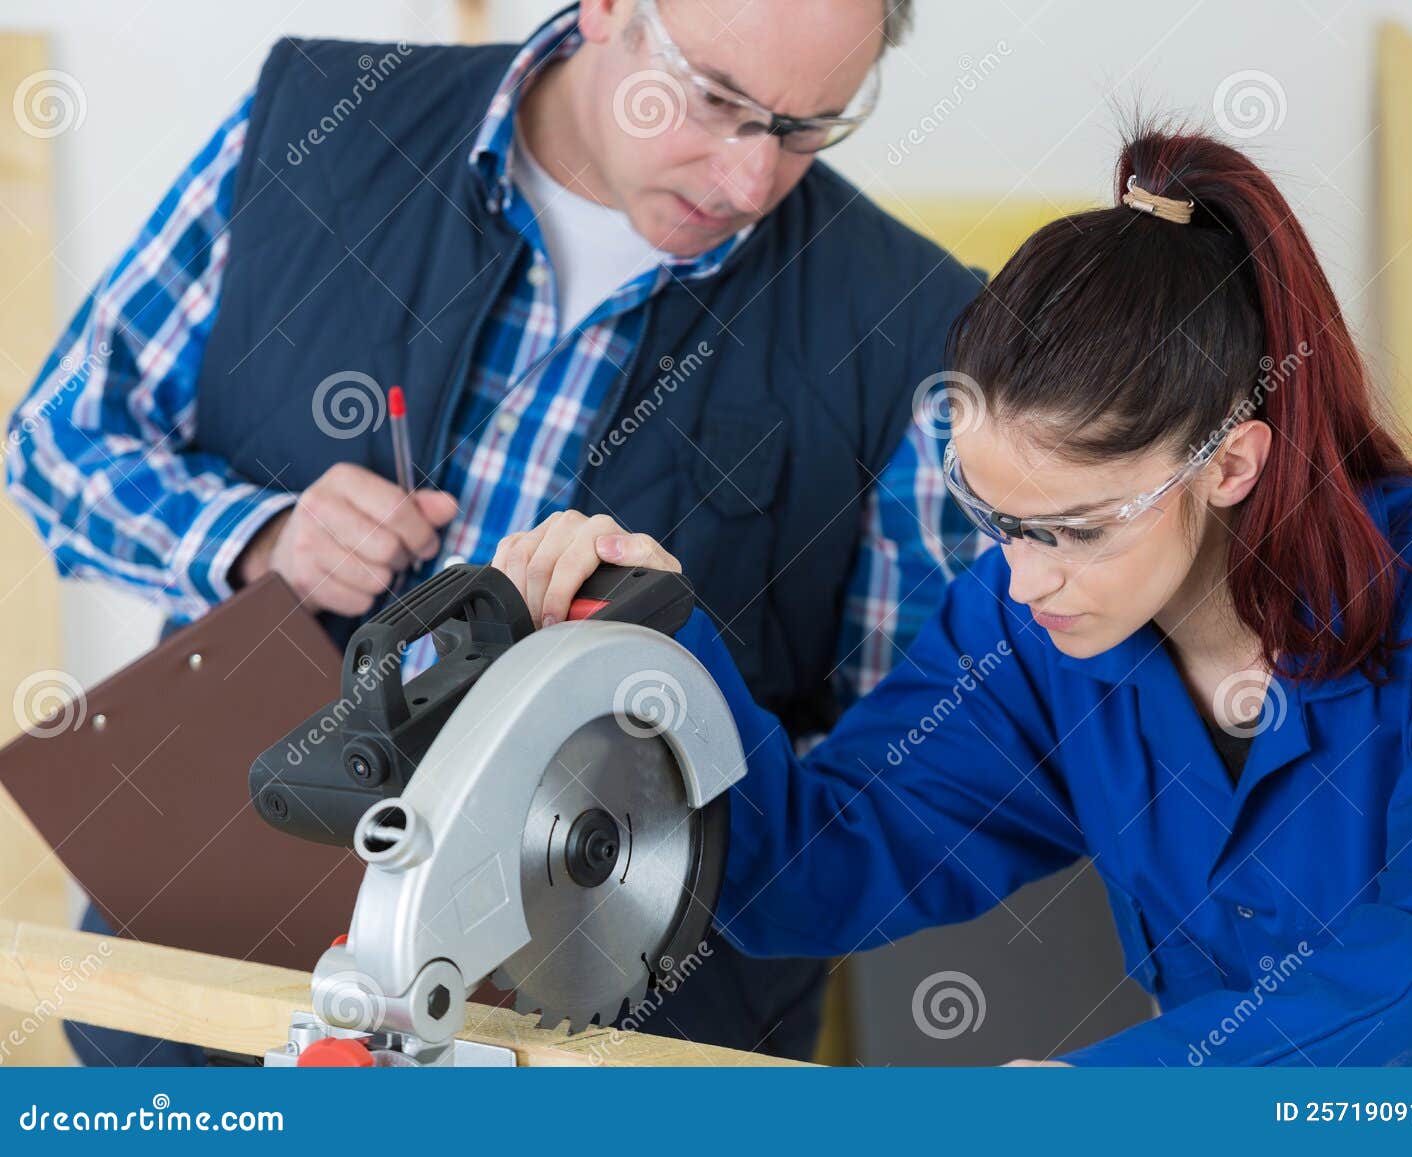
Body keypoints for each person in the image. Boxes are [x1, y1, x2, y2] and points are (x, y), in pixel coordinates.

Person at [492, 123, 1412, 1064]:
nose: (1024, 578)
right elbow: (809, 868)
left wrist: (1105, 1093)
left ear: (1228, 464)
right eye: (997, 520)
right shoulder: (1026, 625)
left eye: (1074, 527)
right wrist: (664, 651)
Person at [6, 0, 984, 1064]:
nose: (748, 182)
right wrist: (259, 536)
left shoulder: (913, 324)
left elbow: (901, 766)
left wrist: (662, 728)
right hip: (212, 996)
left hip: (602, 1057)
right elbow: (55, 441)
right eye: (713, 101)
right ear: (609, 11)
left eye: (808, 129)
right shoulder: (318, 123)